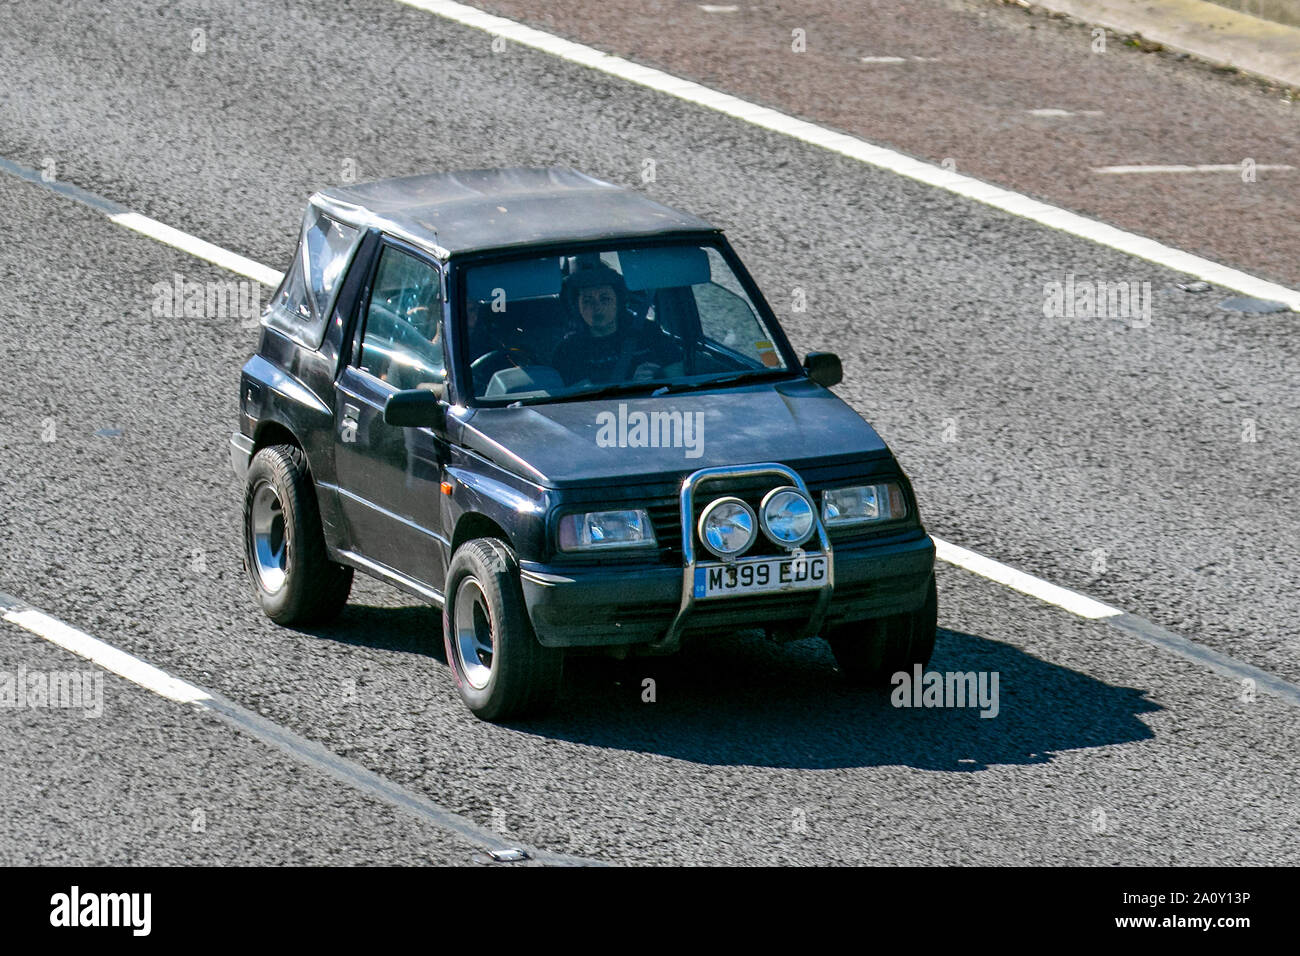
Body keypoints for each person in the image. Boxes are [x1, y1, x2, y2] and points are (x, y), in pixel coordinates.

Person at [548, 262, 680, 386]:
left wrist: (659, 376)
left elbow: (680, 379)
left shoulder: (649, 333)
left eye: (605, 299)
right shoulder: (568, 351)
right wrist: (631, 385)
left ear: (619, 302)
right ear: (577, 307)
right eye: (587, 301)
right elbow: (578, 403)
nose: (596, 307)